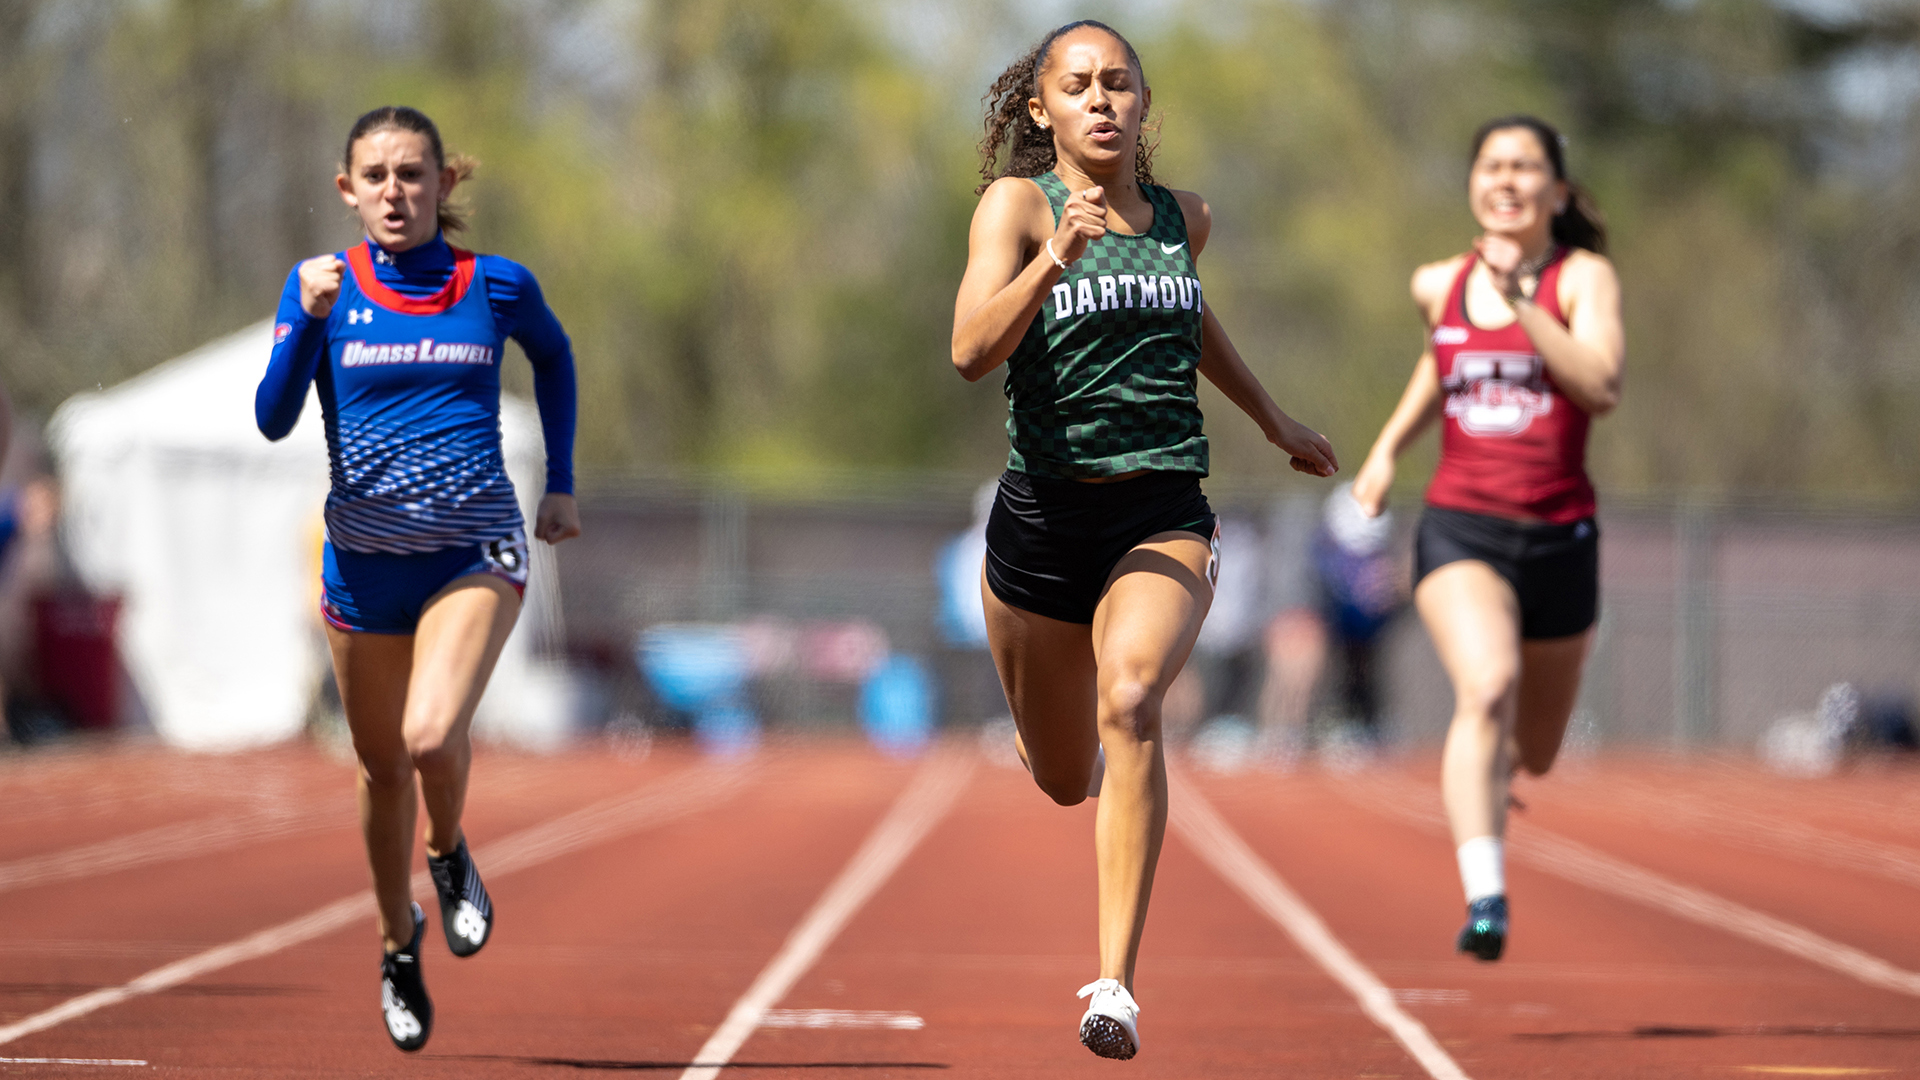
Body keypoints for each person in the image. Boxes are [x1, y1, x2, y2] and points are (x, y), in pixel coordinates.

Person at [951, 21, 1336, 1058]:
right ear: (1042, 111)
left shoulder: (1182, 219)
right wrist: (1052, 262)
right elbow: (968, 351)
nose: (1101, 99)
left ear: (1142, 103)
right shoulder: (1015, 208)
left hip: (1159, 511)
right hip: (1040, 522)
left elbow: (1191, 321)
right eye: (1077, 85)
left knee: (1130, 699)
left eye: (1118, 83)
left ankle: (1114, 985)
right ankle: (1046, 729)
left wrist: (1272, 420)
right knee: (1062, 775)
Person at [255, 106, 579, 1051]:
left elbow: (554, 358)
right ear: (346, 189)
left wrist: (559, 482)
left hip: (473, 552)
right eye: (376, 176)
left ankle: (447, 853)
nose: (395, 192)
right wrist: (307, 324)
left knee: (432, 736)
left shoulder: (497, 285)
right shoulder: (321, 288)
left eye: (412, 174)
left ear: (444, 183)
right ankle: (399, 941)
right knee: (379, 765)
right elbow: (275, 418)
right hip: (361, 566)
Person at [1349, 115, 1623, 962]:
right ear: (1473, 182)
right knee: (1486, 685)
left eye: (1525, 166)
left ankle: (1495, 782)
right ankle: (1486, 895)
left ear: (1558, 190)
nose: (1506, 180)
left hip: (1560, 539)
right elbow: (1440, 364)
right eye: (1492, 165)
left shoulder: (1583, 279)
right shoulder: (1439, 282)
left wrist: (1517, 303)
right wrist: (1387, 450)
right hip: (1461, 526)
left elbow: (1600, 383)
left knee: (1534, 753)